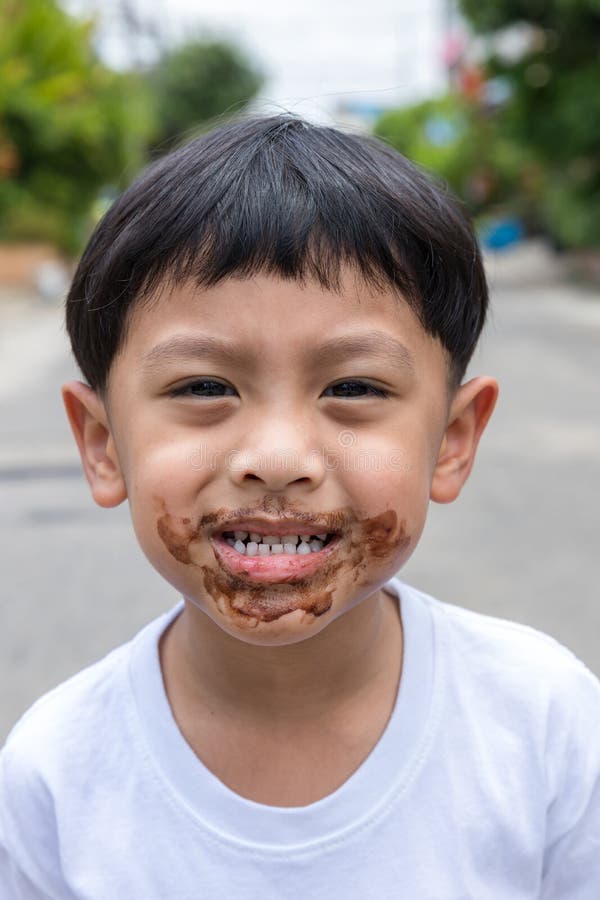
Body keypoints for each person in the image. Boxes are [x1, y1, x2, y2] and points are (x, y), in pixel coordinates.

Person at [1, 114, 598, 899]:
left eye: (353, 387)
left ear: (451, 441)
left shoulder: (545, 723)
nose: (278, 458)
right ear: (103, 445)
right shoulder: (54, 774)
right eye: (204, 388)